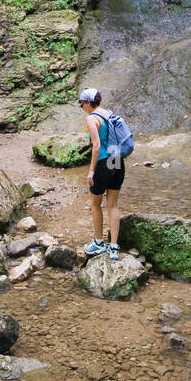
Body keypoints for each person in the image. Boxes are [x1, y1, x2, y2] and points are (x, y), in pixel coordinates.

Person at [79, 87, 123, 261]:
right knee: (113, 205)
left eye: (82, 104)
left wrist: (91, 171)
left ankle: (98, 242)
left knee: (95, 204)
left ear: (89, 103)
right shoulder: (109, 113)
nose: (82, 108)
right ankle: (113, 247)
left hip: (104, 162)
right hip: (117, 159)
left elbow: (96, 146)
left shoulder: (92, 118)